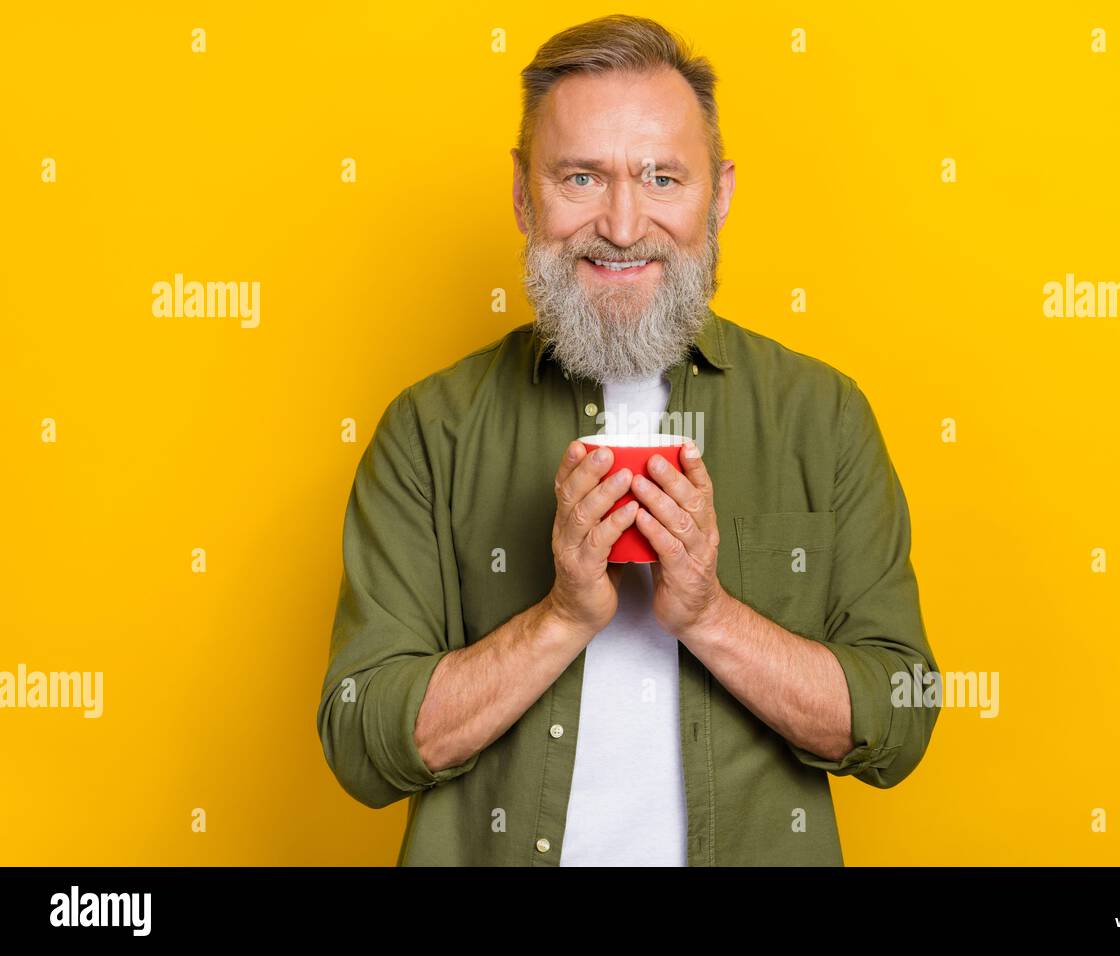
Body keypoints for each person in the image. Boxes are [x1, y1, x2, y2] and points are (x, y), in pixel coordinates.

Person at [317, 13, 940, 866]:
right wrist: (561, 617)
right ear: (521, 191)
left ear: (717, 194)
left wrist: (709, 615)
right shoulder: (430, 431)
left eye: (660, 177)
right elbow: (361, 738)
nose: (620, 223)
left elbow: (898, 719)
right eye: (580, 176)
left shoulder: (821, 418)